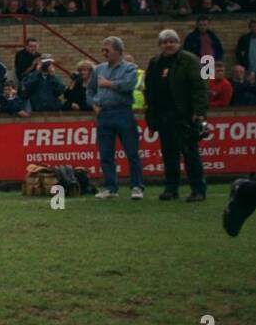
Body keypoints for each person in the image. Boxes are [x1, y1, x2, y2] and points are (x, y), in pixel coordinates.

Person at [143, 29, 208, 202]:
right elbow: (149, 88)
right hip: (164, 116)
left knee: (190, 154)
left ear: (178, 43)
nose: (168, 44)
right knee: (169, 155)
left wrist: (199, 112)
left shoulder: (190, 60)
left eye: (172, 41)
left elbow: (199, 87)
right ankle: (171, 189)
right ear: (160, 45)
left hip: (185, 116)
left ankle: (198, 189)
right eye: (164, 42)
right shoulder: (155, 62)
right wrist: (151, 116)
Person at [87, 36, 145, 200]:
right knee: (106, 153)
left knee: (132, 152)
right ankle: (110, 187)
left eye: (107, 50)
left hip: (123, 112)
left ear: (118, 51)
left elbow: (128, 85)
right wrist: (94, 105)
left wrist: (109, 84)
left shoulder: (130, 68)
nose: (104, 53)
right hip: (104, 114)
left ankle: (136, 186)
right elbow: (90, 90)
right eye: (103, 50)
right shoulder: (98, 69)